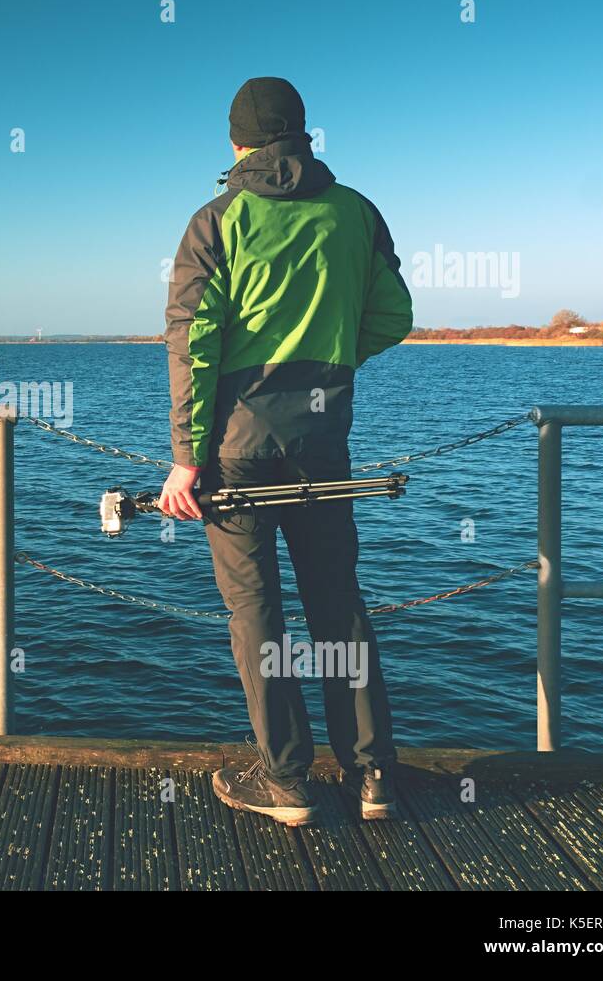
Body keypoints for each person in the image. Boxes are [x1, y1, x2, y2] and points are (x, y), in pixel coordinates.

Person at [160, 77, 413, 826]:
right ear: (304, 133)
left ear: (234, 142)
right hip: (323, 440)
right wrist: (329, 363)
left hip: (235, 447)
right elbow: (393, 315)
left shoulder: (216, 220)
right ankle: (374, 778)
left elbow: (193, 342)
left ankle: (289, 782)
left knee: (256, 613)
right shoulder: (356, 211)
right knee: (338, 603)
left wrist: (185, 455)